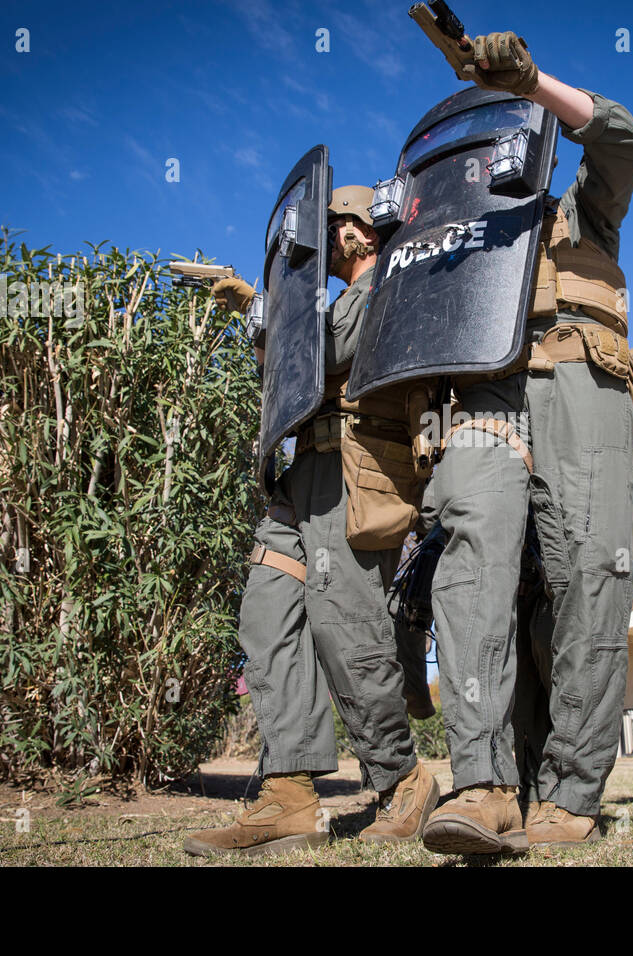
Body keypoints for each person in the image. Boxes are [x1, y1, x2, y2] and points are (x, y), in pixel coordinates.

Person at [414, 30, 633, 854]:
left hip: (580, 383)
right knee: (473, 568)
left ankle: (571, 791)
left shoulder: (587, 209)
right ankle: (482, 784)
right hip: (485, 390)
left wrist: (532, 79)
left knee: (588, 578)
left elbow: (623, 136)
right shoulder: (466, 228)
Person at [183, 186, 438, 858]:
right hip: (302, 472)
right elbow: (285, 371)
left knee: (346, 630)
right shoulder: (328, 299)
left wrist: (260, 307)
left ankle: (401, 780)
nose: (325, 244)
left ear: (364, 229)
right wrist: (260, 314)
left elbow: (330, 351)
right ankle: (289, 796)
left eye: (335, 229)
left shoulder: (390, 279)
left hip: (357, 473)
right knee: (267, 618)